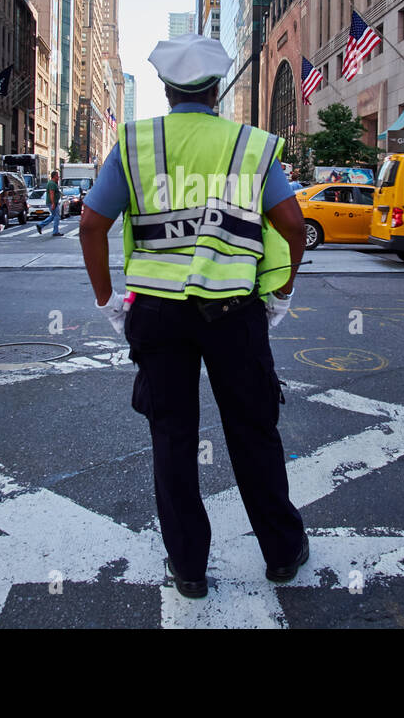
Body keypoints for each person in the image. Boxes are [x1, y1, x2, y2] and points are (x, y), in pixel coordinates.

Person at [78, 33, 309, 600]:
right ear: (216, 88)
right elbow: (294, 227)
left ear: (165, 87)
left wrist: (109, 300)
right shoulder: (248, 145)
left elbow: (91, 225)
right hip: (233, 314)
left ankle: (189, 569)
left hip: (157, 316)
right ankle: (280, 553)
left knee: (173, 438)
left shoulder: (134, 143)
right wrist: (280, 293)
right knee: (254, 432)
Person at [36, 170, 64, 236]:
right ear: (54, 176)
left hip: (54, 202)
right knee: (56, 216)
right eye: (57, 176)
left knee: (53, 216)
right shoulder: (51, 183)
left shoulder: (54, 183)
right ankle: (55, 232)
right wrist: (53, 203)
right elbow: (51, 194)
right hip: (52, 202)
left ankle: (40, 225)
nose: (58, 177)